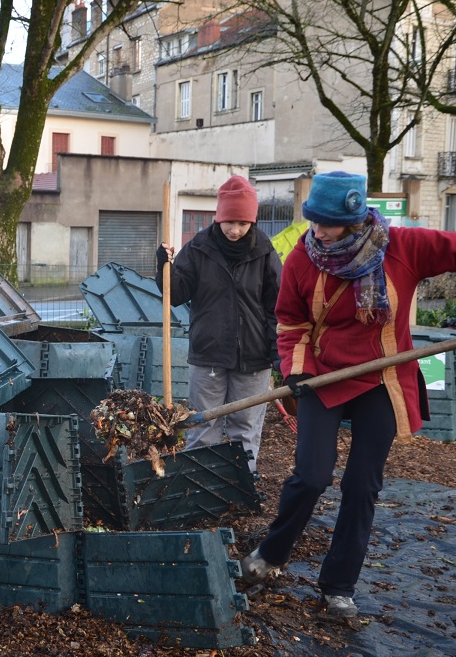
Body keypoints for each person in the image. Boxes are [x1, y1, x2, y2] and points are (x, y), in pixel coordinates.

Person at [240, 171, 456, 618]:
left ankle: (339, 586)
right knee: (312, 477)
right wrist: (296, 370)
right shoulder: (303, 258)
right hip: (323, 376)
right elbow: (291, 322)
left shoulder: (403, 247)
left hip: (382, 379)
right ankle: (269, 557)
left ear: (354, 219)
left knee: (362, 486)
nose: (315, 231)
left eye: (325, 223)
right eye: (312, 221)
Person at [156, 175, 281, 474]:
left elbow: (278, 308)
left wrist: (280, 356)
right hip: (209, 353)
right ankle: (199, 487)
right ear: (218, 217)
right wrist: (163, 266)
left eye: (243, 223)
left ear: (252, 221)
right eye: (230, 223)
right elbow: (177, 294)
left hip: (254, 356)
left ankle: (242, 485)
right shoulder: (199, 248)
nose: (235, 230)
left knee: (246, 427)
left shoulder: (264, 251)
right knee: (203, 424)